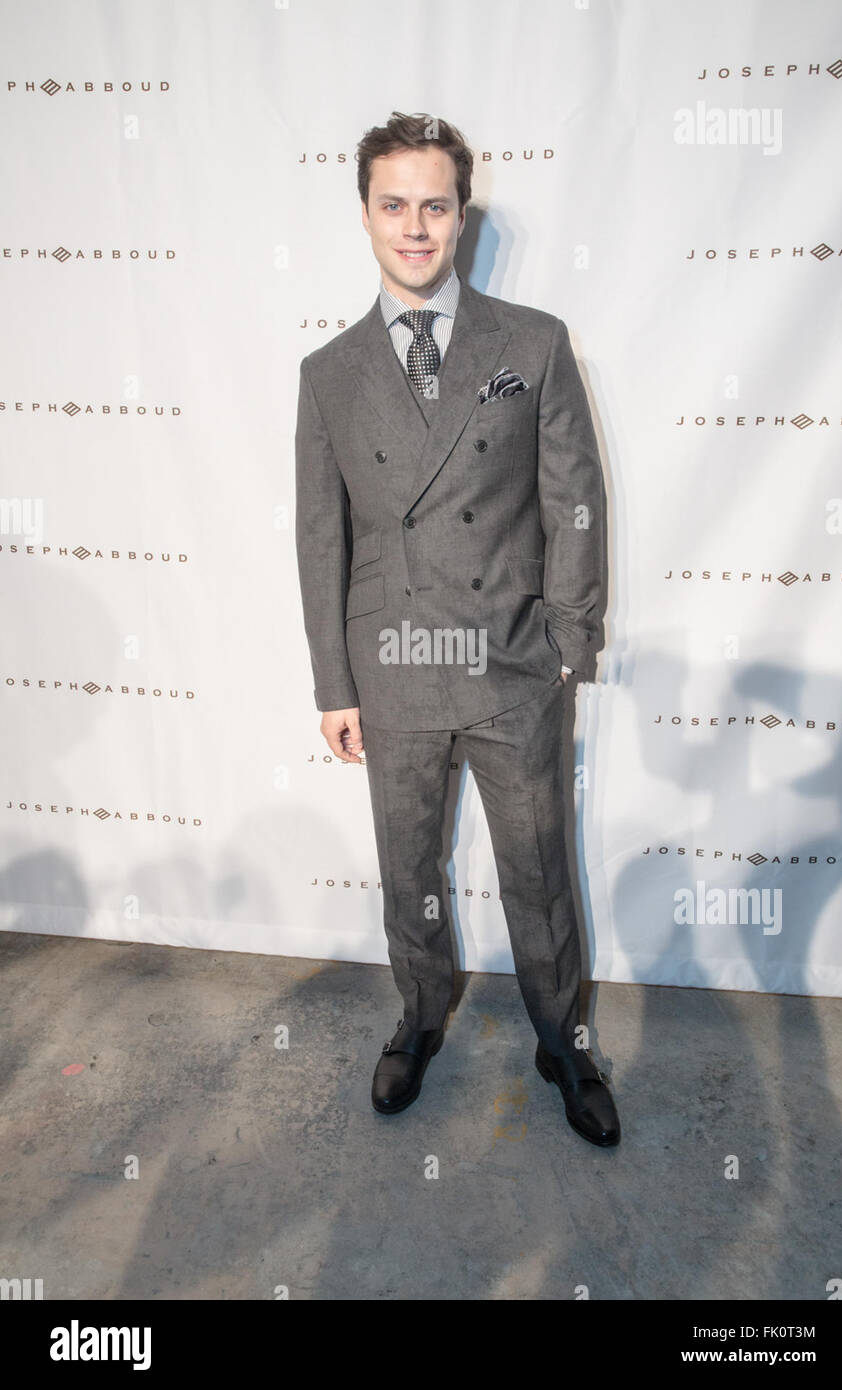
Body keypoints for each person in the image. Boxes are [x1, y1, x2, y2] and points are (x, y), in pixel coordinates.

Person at [295, 111, 619, 1146]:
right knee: (407, 868)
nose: (414, 225)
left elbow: (573, 497)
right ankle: (419, 1015)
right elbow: (318, 538)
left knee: (537, 867)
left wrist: (568, 644)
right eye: (394, 204)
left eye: (433, 204)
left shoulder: (529, 343)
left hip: (509, 660)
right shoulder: (329, 372)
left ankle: (563, 1039)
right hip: (389, 667)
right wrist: (331, 683)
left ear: (460, 215)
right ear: (364, 216)